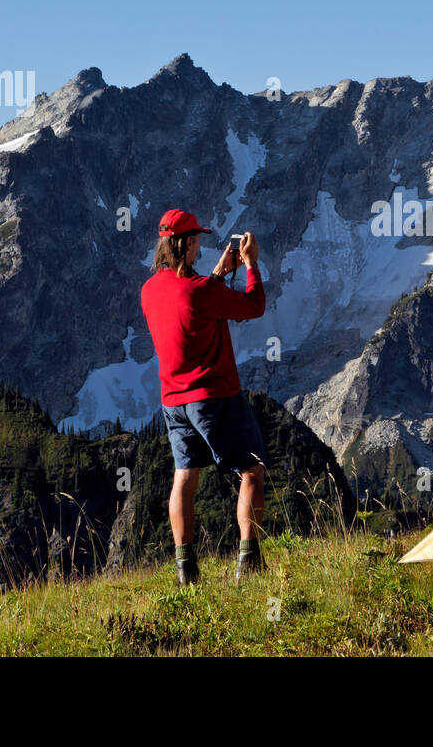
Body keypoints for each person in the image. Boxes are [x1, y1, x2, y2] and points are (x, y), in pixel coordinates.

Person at [140, 209, 267, 585]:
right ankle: (249, 560)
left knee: (185, 478)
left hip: (173, 401)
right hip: (214, 395)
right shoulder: (203, 291)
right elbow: (253, 305)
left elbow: (189, 304)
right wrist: (249, 265)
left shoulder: (149, 291)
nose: (200, 246)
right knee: (251, 469)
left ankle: (185, 568)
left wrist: (216, 274)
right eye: (196, 240)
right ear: (186, 243)